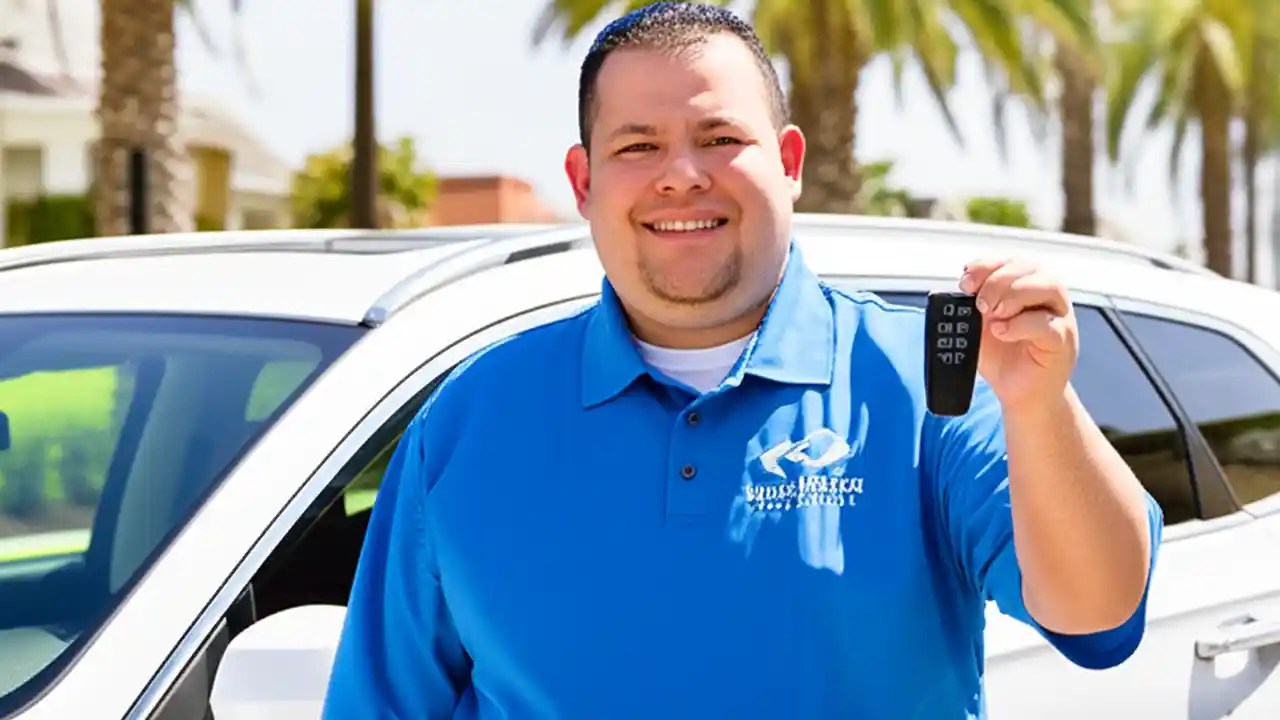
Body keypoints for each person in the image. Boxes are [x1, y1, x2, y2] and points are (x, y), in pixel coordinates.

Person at [321, 3, 1163, 718]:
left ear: (789, 163)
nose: (681, 177)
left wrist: (1039, 406)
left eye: (719, 137)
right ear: (582, 181)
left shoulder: (930, 388)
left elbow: (1099, 621)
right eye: (638, 146)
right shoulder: (470, 421)